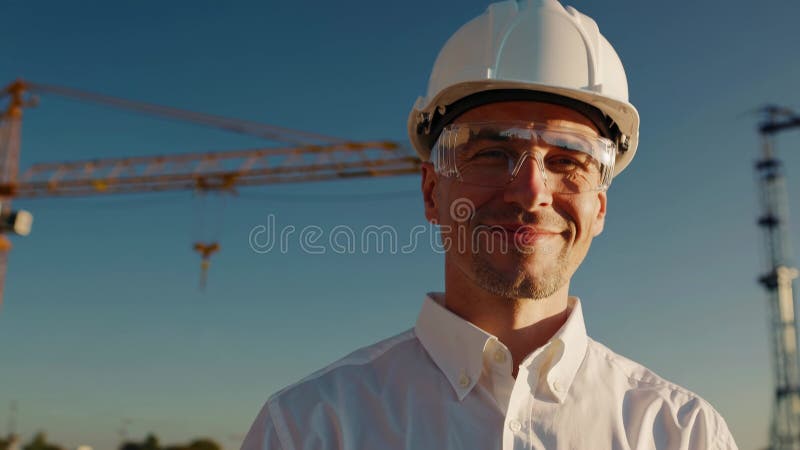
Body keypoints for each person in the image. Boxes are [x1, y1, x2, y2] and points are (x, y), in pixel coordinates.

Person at [242, 1, 738, 449]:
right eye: (493, 153)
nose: (530, 192)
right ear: (432, 192)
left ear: (599, 209)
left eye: (569, 162)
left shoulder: (684, 433)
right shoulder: (308, 429)